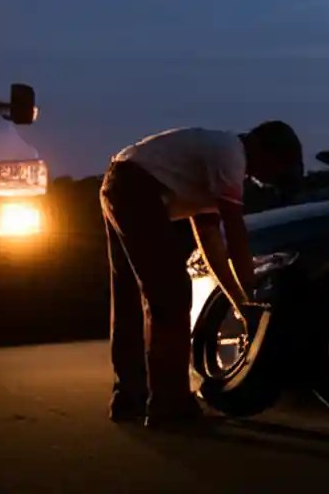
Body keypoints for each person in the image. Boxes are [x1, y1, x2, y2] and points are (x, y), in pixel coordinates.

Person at [100, 121, 303, 428]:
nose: (271, 180)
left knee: (132, 296)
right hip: (134, 187)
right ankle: (170, 406)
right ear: (262, 150)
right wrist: (251, 295)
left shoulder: (217, 163)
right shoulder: (231, 156)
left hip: (118, 183)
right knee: (171, 295)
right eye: (276, 169)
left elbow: (211, 243)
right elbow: (236, 236)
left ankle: (129, 398)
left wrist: (239, 303)